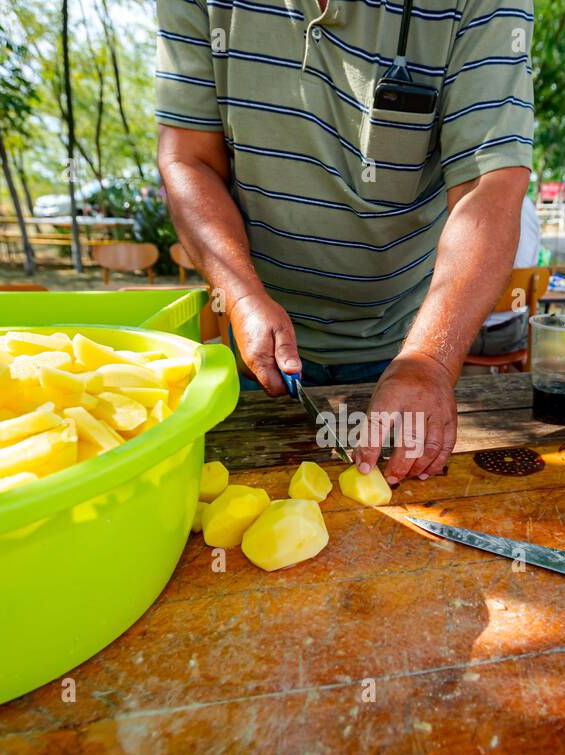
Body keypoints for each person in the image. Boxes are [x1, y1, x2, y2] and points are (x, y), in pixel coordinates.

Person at [156, 0, 533, 485]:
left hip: (404, 342)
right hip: (264, 354)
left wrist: (431, 359)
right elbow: (188, 159)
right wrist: (243, 296)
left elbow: (491, 184)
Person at [469, 196, 543, 357]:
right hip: (511, 334)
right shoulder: (529, 207)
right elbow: (533, 264)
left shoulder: (469, 201)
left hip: (464, 338)